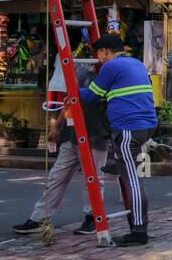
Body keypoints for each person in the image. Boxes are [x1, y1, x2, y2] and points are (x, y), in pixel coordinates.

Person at [13, 65, 115, 237]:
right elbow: (68, 101)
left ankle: (93, 217)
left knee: (94, 178)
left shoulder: (110, 73)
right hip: (72, 135)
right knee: (57, 176)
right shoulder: (79, 71)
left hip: (96, 134)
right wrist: (57, 127)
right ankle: (40, 217)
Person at [79, 34, 157, 246]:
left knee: (133, 180)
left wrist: (71, 92)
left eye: (99, 55)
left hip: (128, 128)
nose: (99, 60)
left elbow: (93, 95)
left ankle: (139, 231)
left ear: (106, 51)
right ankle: (118, 163)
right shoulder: (137, 63)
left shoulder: (111, 67)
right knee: (129, 171)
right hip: (146, 126)